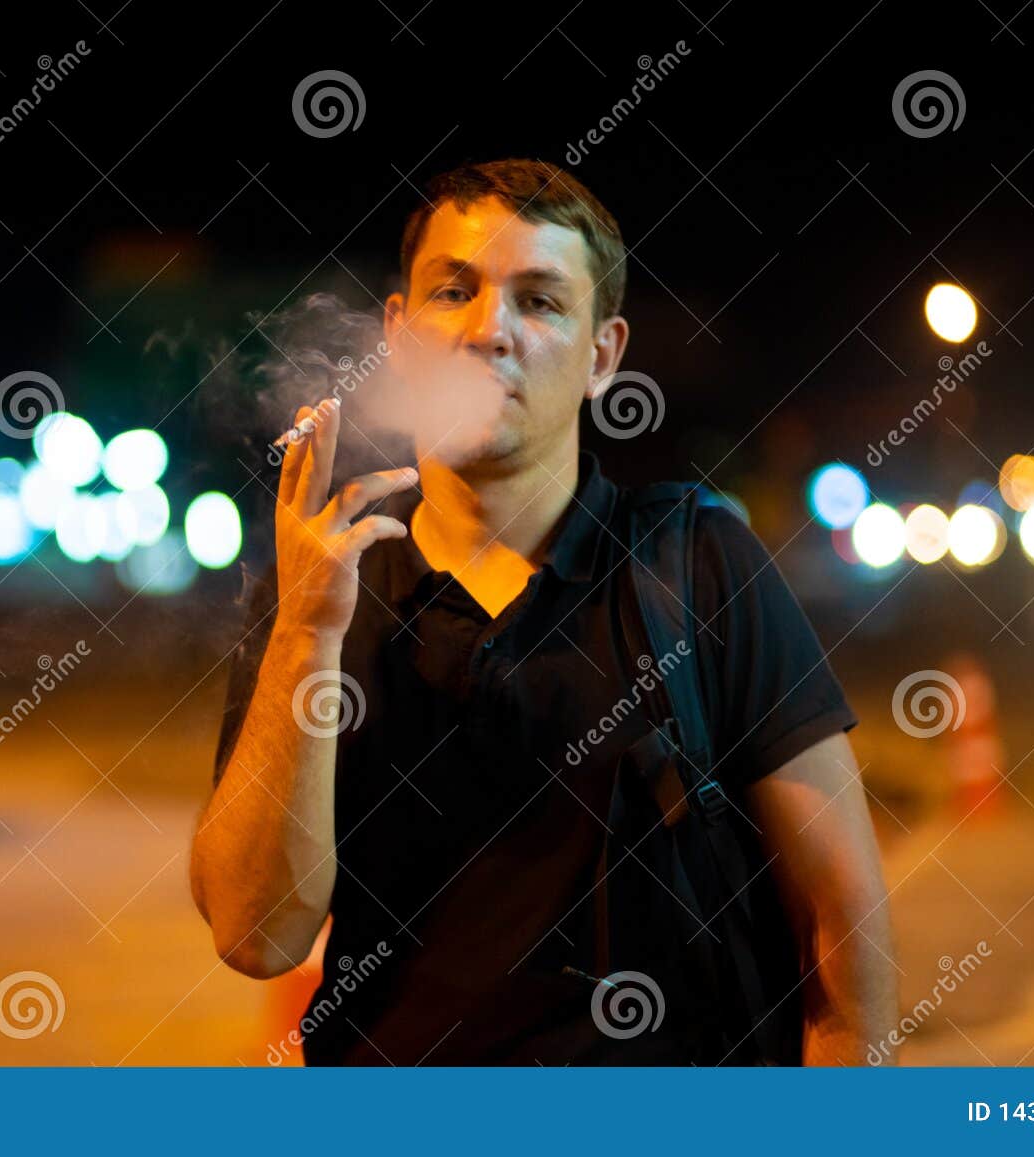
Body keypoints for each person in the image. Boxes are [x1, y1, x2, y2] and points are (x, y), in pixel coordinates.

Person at [190, 158, 896, 1065]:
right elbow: (258, 938)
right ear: (400, 338)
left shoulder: (696, 560)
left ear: (603, 355)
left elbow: (844, 936)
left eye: (540, 300)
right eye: (454, 291)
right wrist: (306, 632)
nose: (491, 330)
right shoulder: (324, 580)